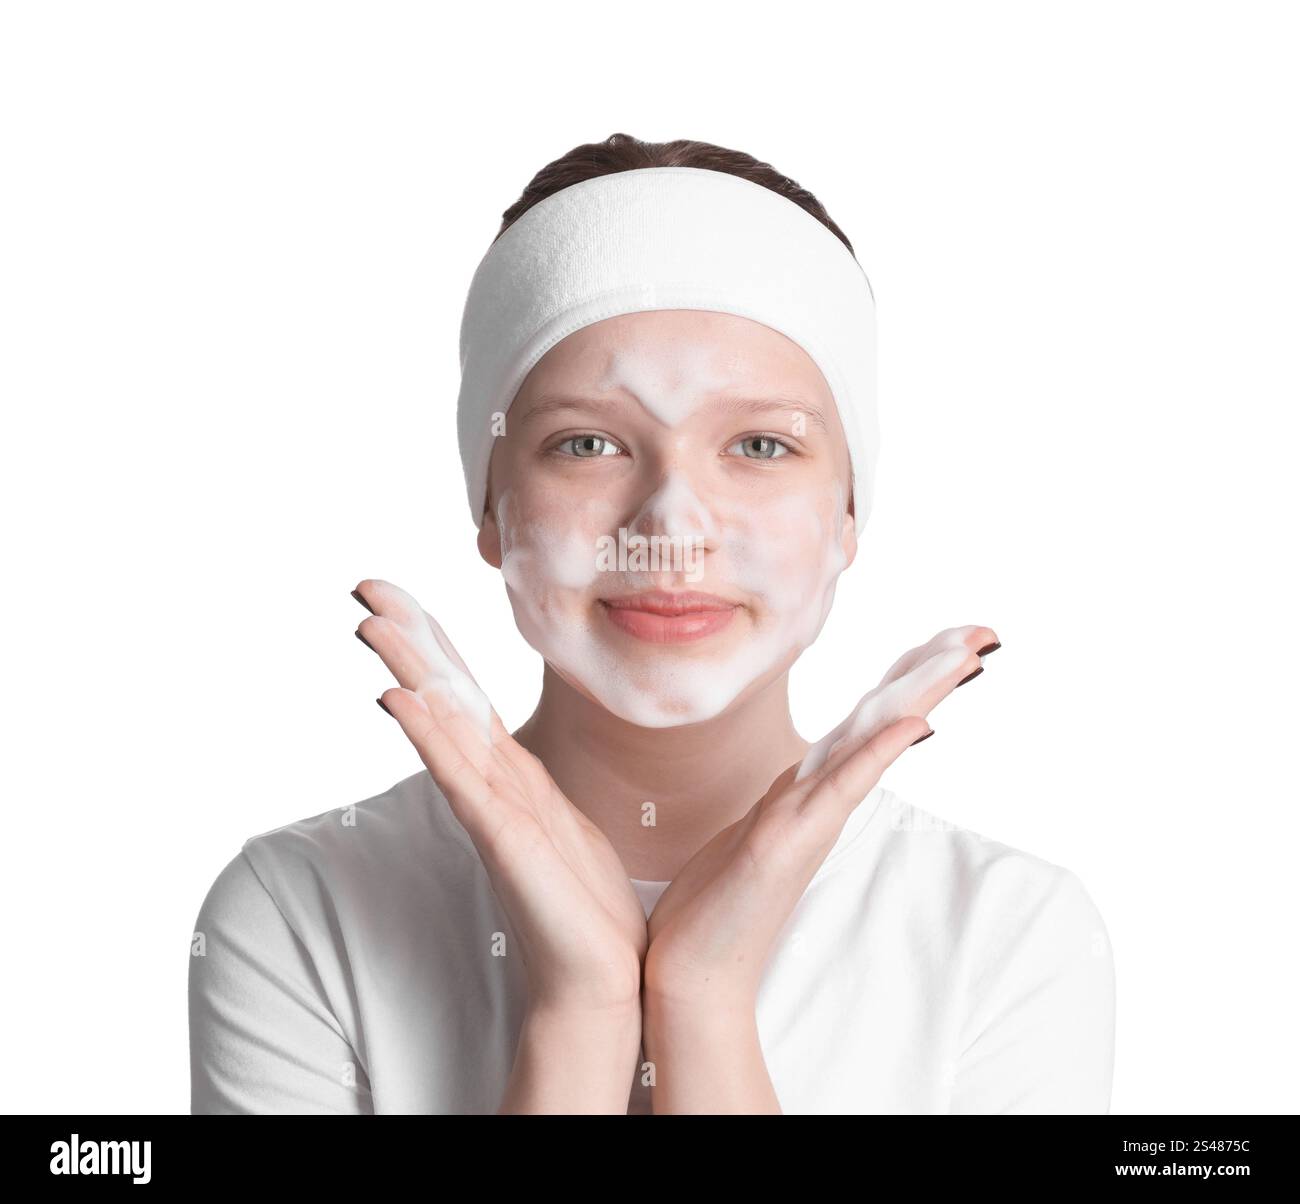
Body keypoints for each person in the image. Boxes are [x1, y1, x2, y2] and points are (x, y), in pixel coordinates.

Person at [188, 133, 1116, 1114]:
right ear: (492, 508)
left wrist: (701, 1004)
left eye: (760, 443)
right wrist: (580, 1013)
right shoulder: (305, 910)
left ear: (849, 514)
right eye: (585, 442)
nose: (671, 523)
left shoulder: (1007, 934)